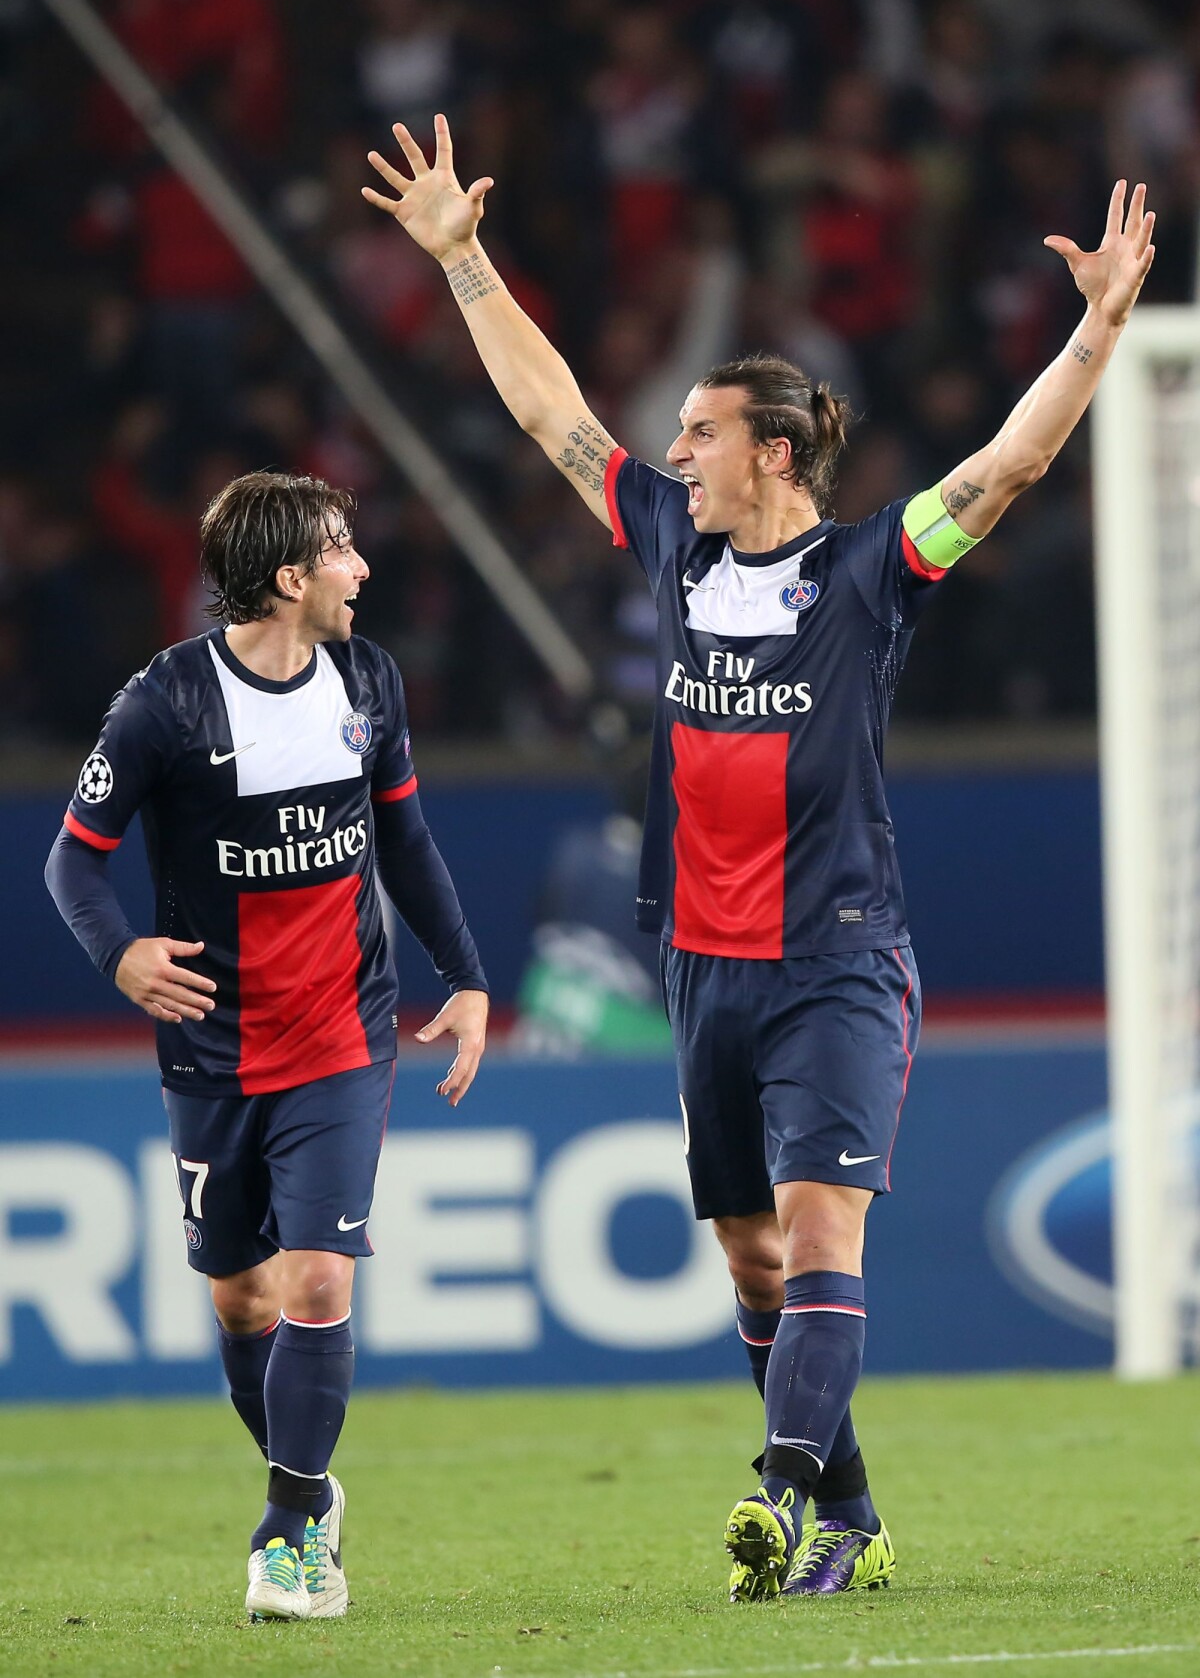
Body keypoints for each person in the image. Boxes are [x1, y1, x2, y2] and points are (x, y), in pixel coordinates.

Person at [362, 115, 1153, 1601]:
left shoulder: (870, 569)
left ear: (773, 452)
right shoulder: (672, 543)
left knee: (818, 1223)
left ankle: (781, 1490)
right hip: (702, 963)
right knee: (750, 1259)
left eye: (702, 433)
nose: (674, 451)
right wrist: (463, 261)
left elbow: (1009, 466)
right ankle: (850, 1513)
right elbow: (553, 416)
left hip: (836, 957)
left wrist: (1101, 326)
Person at [45, 471, 489, 1621]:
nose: (362, 568)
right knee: (243, 1300)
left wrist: (468, 977)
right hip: (213, 1049)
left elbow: (406, 840)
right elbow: (73, 857)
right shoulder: (167, 704)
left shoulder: (369, 680)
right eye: (342, 549)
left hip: (342, 1033)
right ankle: (310, 1485)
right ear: (290, 577)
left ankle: (288, 1536)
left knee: (320, 1275)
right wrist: (121, 955)